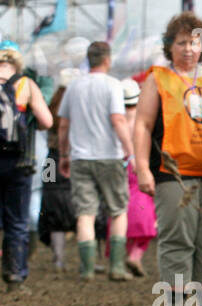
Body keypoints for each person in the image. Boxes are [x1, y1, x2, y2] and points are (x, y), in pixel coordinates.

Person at [134, 12, 202, 302]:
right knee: (177, 239)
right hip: (175, 174)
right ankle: (178, 304)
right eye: (181, 43)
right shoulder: (158, 79)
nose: (188, 49)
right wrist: (142, 168)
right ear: (169, 46)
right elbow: (142, 125)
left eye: (194, 43)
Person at [57, 41, 133, 282]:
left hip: (80, 158)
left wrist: (63, 154)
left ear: (89, 59)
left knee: (85, 213)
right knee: (118, 210)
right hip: (109, 156)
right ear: (107, 60)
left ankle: (87, 269)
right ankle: (117, 267)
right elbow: (118, 120)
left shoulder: (74, 86)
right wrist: (128, 148)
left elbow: (63, 125)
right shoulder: (112, 85)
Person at [0, 41, 53, 291]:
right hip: (20, 161)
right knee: (17, 220)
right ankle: (15, 275)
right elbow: (46, 121)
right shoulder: (26, 84)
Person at [38, 81, 76, 272]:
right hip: (72, 160)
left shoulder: (52, 107)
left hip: (51, 159)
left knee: (51, 205)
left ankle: (58, 258)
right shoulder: (76, 107)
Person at [121, 79, 157, 277]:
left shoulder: (116, 118)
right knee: (144, 213)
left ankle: (127, 255)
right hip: (140, 168)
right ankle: (135, 255)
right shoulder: (142, 118)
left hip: (120, 168)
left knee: (121, 212)